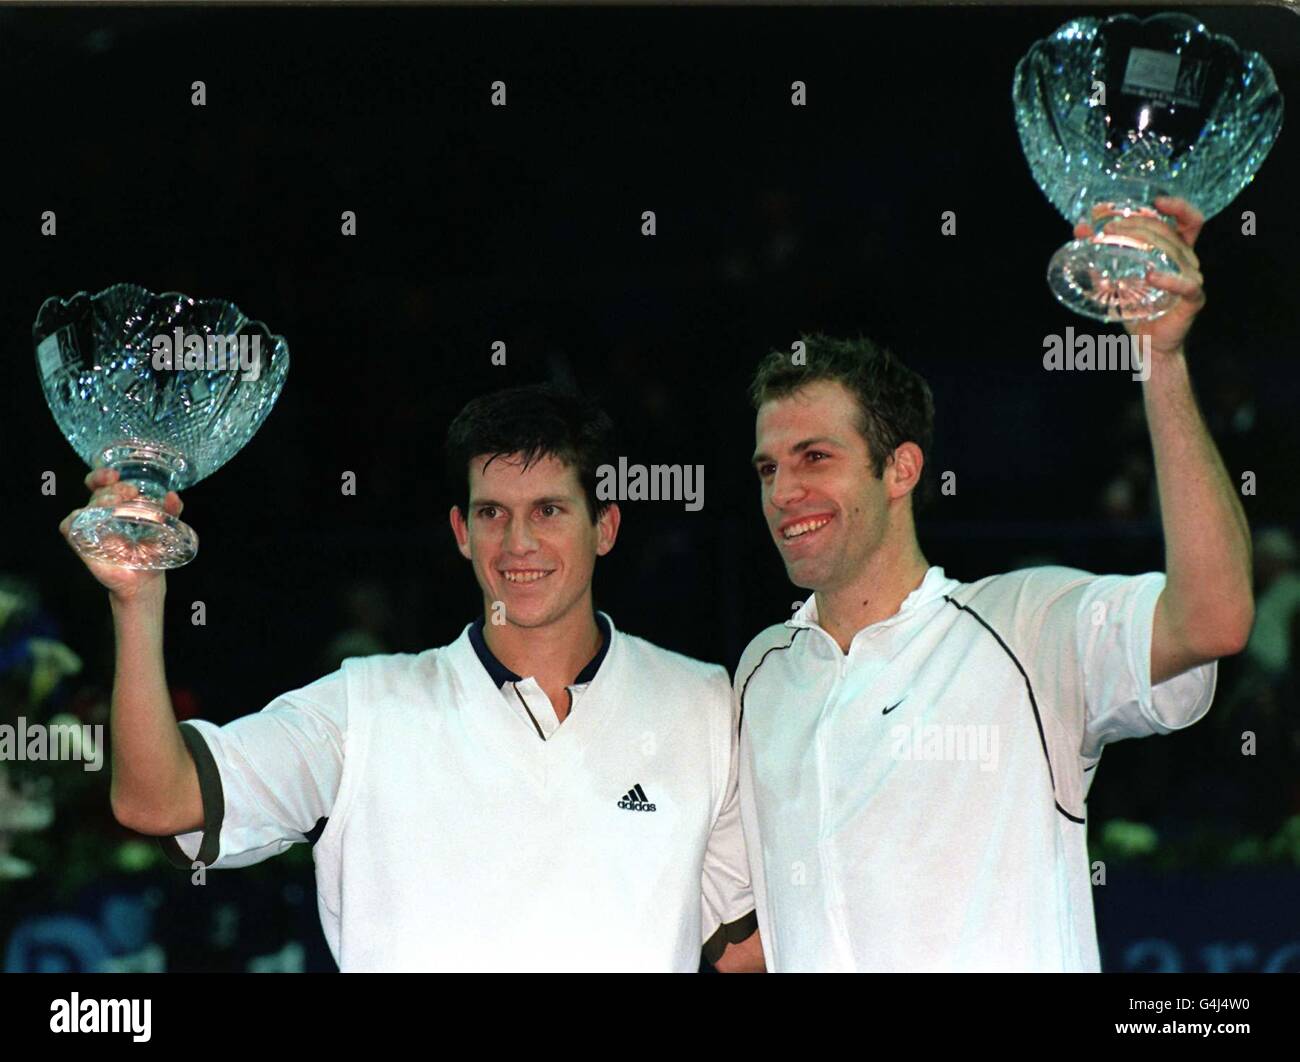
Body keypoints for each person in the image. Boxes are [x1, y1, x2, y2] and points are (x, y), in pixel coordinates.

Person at [70, 384, 762, 972]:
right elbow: (156, 802)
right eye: (493, 514)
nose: (518, 543)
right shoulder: (365, 707)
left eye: (548, 510)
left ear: (605, 526)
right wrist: (136, 602)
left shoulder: (698, 702)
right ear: (462, 531)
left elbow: (745, 949)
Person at [734, 197, 1254, 971]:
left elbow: (1212, 618)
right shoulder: (761, 672)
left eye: (815, 458)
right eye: (769, 468)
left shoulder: (1025, 627)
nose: (782, 493)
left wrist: (1161, 361)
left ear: (901, 469)